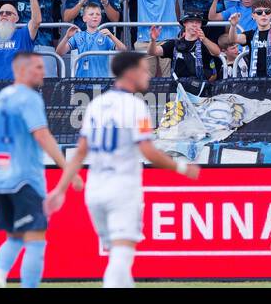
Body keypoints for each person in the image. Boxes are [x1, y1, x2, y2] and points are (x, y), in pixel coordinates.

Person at [45, 50, 201, 288]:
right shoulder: (135, 106)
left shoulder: (97, 104)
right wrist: (181, 167)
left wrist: (59, 189)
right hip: (122, 188)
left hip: (95, 190)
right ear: (130, 73)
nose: (148, 73)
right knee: (122, 254)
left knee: (118, 257)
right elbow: (149, 152)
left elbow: (80, 152)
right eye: (142, 68)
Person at [0, 50, 74, 288]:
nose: (43, 71)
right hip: (23, 177)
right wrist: (67, 167)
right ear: (22, 70)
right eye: (37, 67)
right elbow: (42, 135)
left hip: (0, 178)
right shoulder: (29, 97)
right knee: (36, 239)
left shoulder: (2, 97)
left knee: (14, 237)